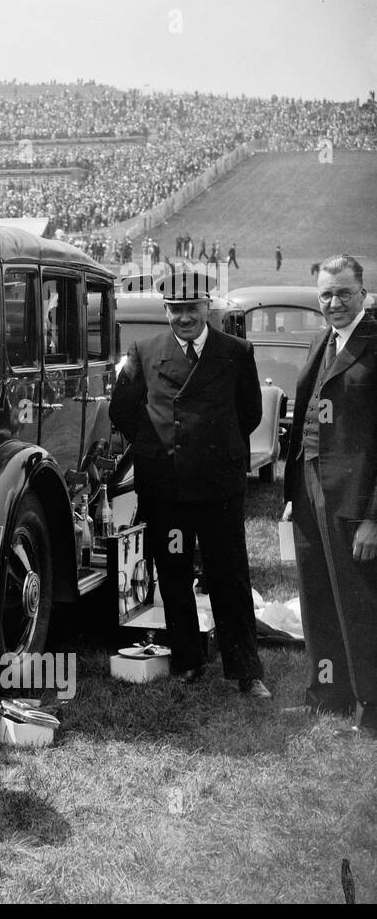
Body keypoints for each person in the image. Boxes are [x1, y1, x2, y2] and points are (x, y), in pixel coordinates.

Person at [109, 269, 270, 697]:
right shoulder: (144, 351)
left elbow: (249, 413)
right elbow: (122, 411)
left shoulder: (236, 351)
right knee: (174, 572)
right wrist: (155, 446)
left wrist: (216, 446)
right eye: (176, 310)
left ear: (207, 307)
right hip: (168, 489)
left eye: (191, 308)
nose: (184, 317)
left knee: (228, 574)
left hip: (217, 488)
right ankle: (187, 660)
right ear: (166, 310)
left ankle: (244, 670)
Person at [282, 255, 377, 735]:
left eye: (343, 292)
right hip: (311, 489)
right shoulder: (321, 341)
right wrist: (294, 490)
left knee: (360, 604)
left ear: (363, 292)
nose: (334, 302)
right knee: (317, 595)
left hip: (356, 498)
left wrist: (374, 517)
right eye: (325, 294)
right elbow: (304, 421)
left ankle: (370, 709)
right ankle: (328, 694)